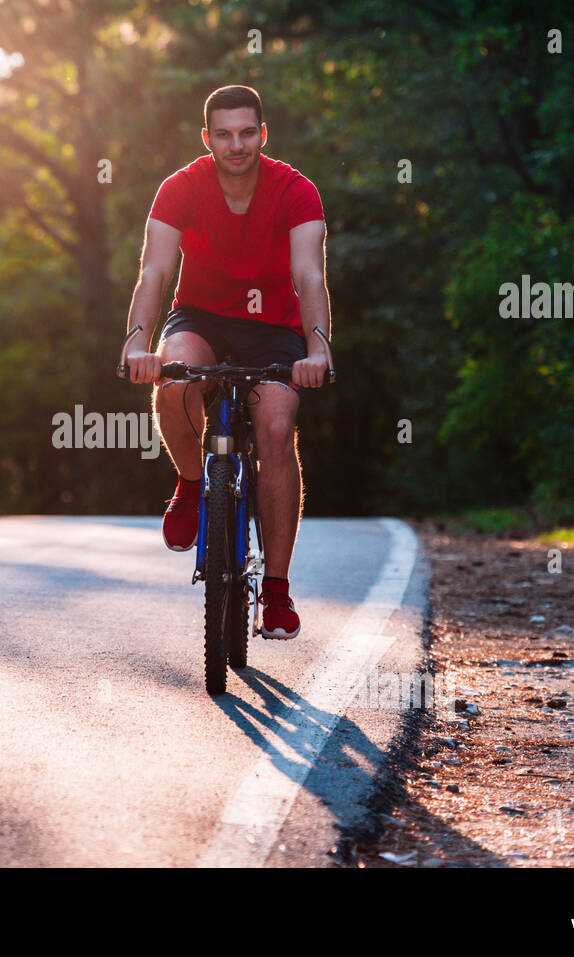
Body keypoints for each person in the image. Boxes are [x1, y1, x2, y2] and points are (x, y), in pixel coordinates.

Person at [120, 84, 334, 640]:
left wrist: (318, 348)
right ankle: (193, 484)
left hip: (275, 330)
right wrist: (137, 341)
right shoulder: (179, 188)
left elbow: (310, 276)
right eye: (223, 134)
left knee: (277, 426)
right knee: (172, 379)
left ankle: (278, 592)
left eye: (246, 133)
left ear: (263, 134)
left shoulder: (296, 191)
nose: (235, 144)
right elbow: (154, 273)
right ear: (207, 138)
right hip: (203, 317)